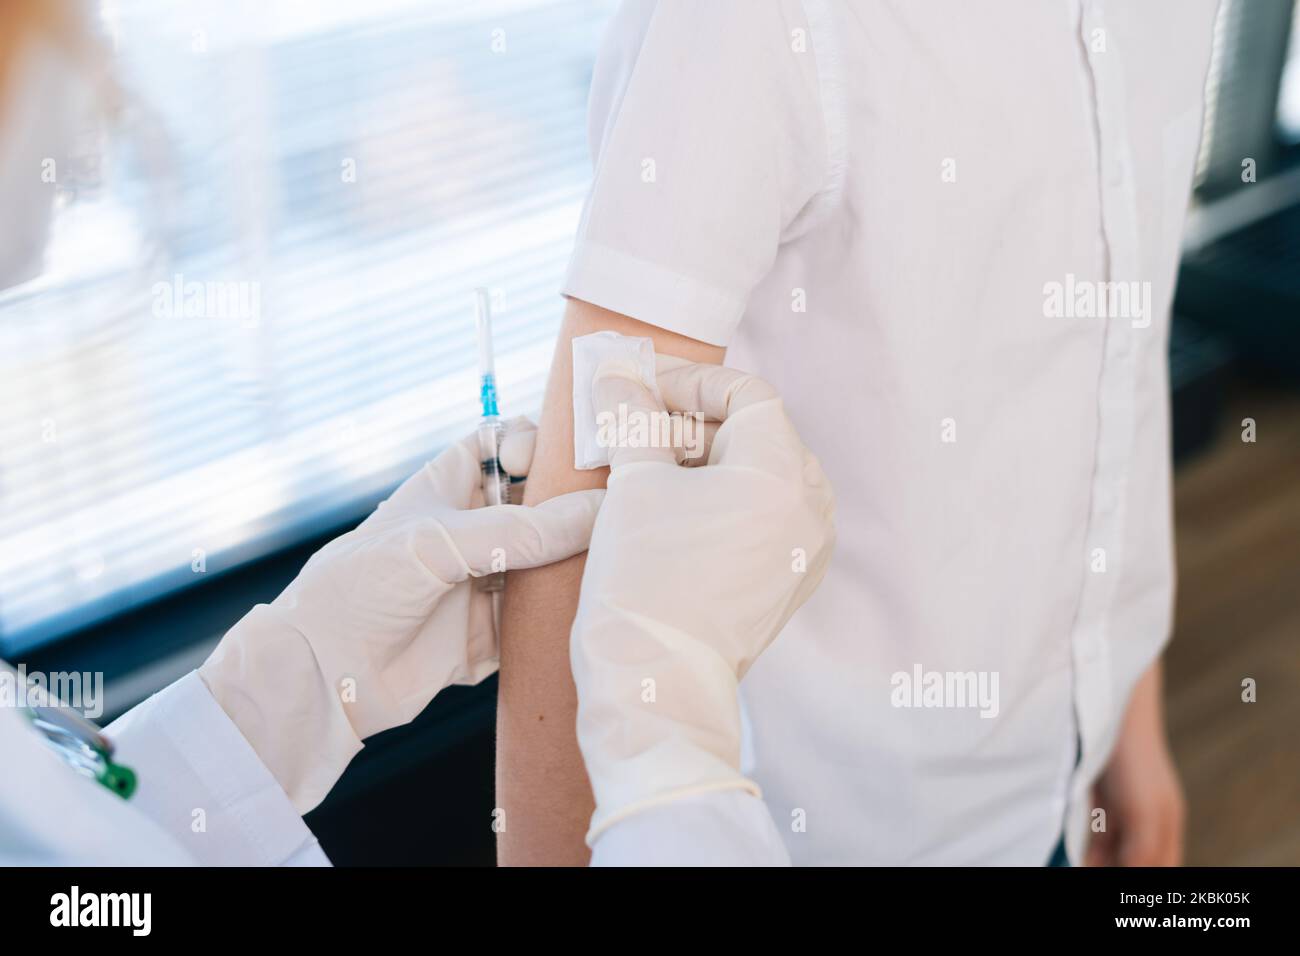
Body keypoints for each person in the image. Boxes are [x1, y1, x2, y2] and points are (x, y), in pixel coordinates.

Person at [497, 0, 1217, 866]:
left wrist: (1120, 708)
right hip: (826, 825)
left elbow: (1106, 351)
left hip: (1059, 779)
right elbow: (580, 534)